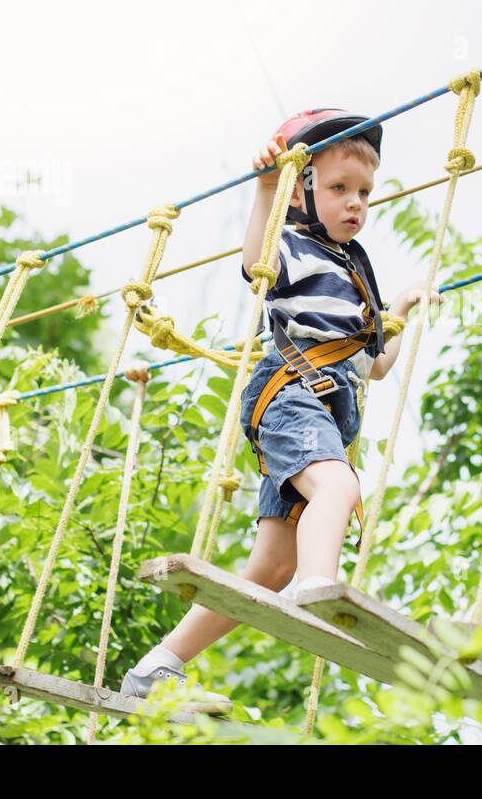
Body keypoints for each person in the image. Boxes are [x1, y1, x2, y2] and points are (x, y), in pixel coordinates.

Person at [121, 109, 439, 704]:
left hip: (323, 414)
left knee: (269, 569)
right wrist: (269, 185)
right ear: (303, 189)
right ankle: (321, 589)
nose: (355, 204)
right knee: (339, 493)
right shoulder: (290, 246)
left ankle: (155, 667)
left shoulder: (354, 273)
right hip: (291, 401)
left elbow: (374, 366)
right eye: (339, 188)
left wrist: (396, 311)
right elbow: (255, 261)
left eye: (364, 193)